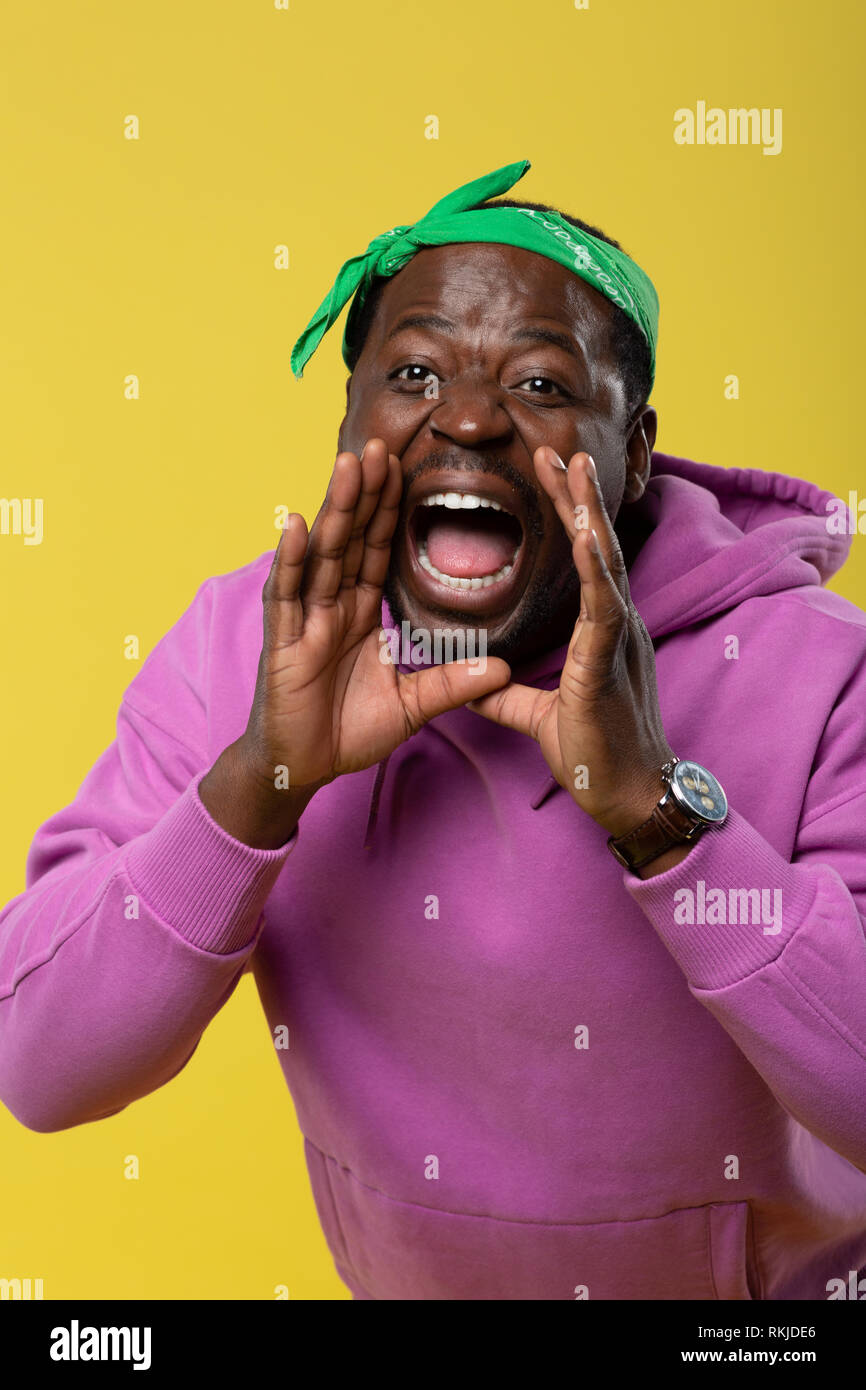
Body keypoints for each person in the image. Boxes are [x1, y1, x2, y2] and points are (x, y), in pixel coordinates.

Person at [2, 160, 866, 1301]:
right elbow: (41, 1065)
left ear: (636, 449)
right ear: (350, 420)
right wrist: (263, 781)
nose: (465, 416)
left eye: (542, 383)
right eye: (412, 372)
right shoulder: (242, 650)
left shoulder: (811, 664)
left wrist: (662, 817)